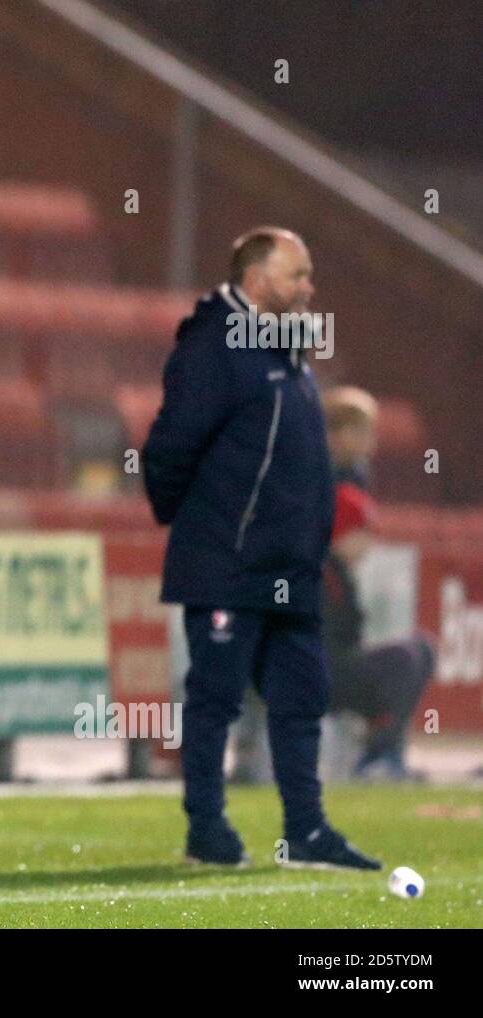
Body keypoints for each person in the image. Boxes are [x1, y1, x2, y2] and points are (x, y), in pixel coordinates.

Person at [142, 226, 380, 870]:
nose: (309, 289)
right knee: (214, 699)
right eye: (297, 276)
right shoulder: (215, 343)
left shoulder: (286, 346)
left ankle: (305, 830)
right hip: (229, 561)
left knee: (302, 699)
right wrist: (199, 525)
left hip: (289, 568)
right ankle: (207, 830)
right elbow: (169, 447)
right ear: (256, 280)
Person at [320, 386, 433, 781]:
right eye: (361, 431)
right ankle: (378, 757)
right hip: (313, 667)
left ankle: (382, 752)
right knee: (410, 656)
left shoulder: (349, 483)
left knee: (416, 649)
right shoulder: (316, 554)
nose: (372, 441)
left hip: (325, 661)